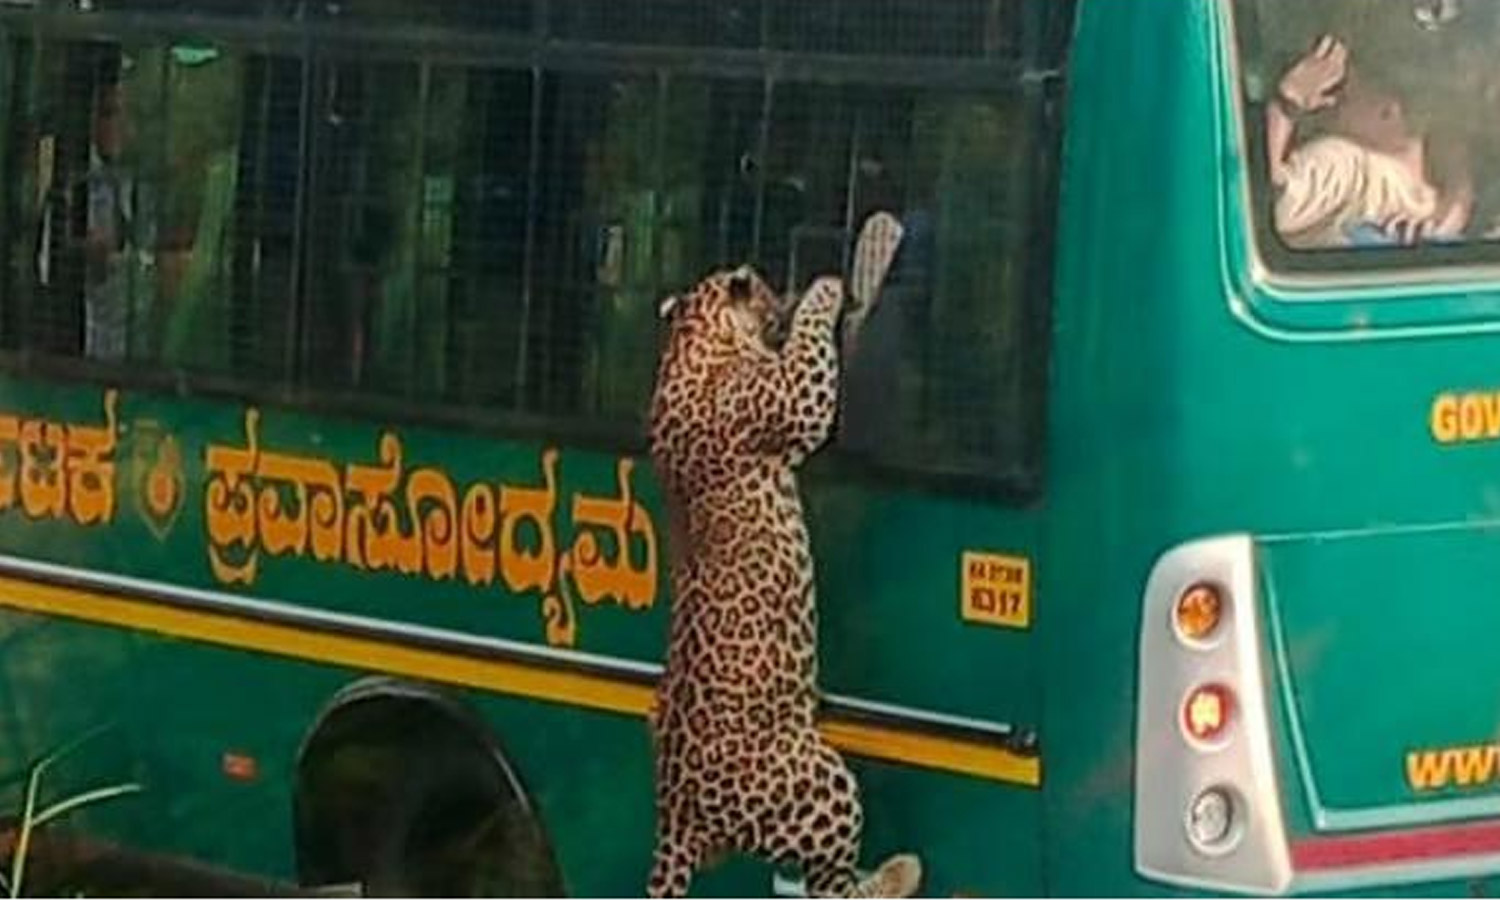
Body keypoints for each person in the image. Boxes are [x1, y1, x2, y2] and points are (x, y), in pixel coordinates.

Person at [1266, 34, 1472, 249]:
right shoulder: (1447, 190)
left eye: (1341, 91)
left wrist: (1287, 104)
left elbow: (1264, 204)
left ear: (1389, 111)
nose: (1327, 102)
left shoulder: (1345, 165)